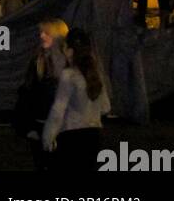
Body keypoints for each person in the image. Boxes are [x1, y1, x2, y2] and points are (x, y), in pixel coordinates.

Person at [42, 27, 110, 170]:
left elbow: (58, 109)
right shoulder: (96, 72)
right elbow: (105, 107)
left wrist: (48, 136)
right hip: (94, 135)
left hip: (72, 135)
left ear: (71, 51)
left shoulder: (69, 75)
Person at [14, 18, 69, 170]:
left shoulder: (69, 64)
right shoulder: (38, 62)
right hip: (40, 124)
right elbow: (27, 94)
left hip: (64, 127)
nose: (42, 36)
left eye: (47, 33)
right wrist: (28, 127)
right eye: (41, 32)